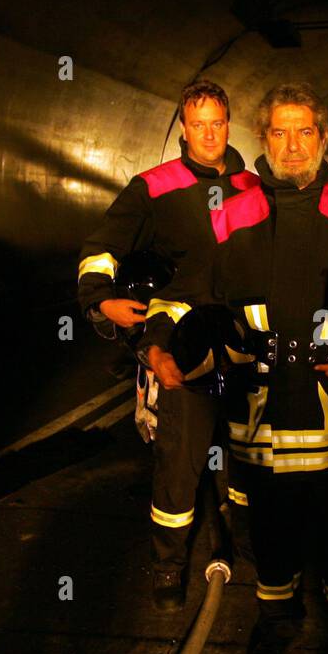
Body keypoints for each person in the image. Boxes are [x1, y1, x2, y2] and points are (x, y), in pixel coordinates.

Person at [76, 80, 258, 612]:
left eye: (217, 123)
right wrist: (99, 300)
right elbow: (101, 247)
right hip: (183, 344)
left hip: (245, 344)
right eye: (197, 124)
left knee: (248, 456)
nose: (208, 134)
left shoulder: (252, 186)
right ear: (183, 127)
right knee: (180, 462)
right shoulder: (153, 186)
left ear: (229, 123)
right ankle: (168, 566)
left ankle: (245, 545)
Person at [211, 82, 328, 654]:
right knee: (270, 520)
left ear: (324, 139)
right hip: (260, 396)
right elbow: (208, 292)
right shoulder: (233, 209)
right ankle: (276, 620)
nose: (293, 143)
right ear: (263, 138)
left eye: (305, 131)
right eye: (280, 131)